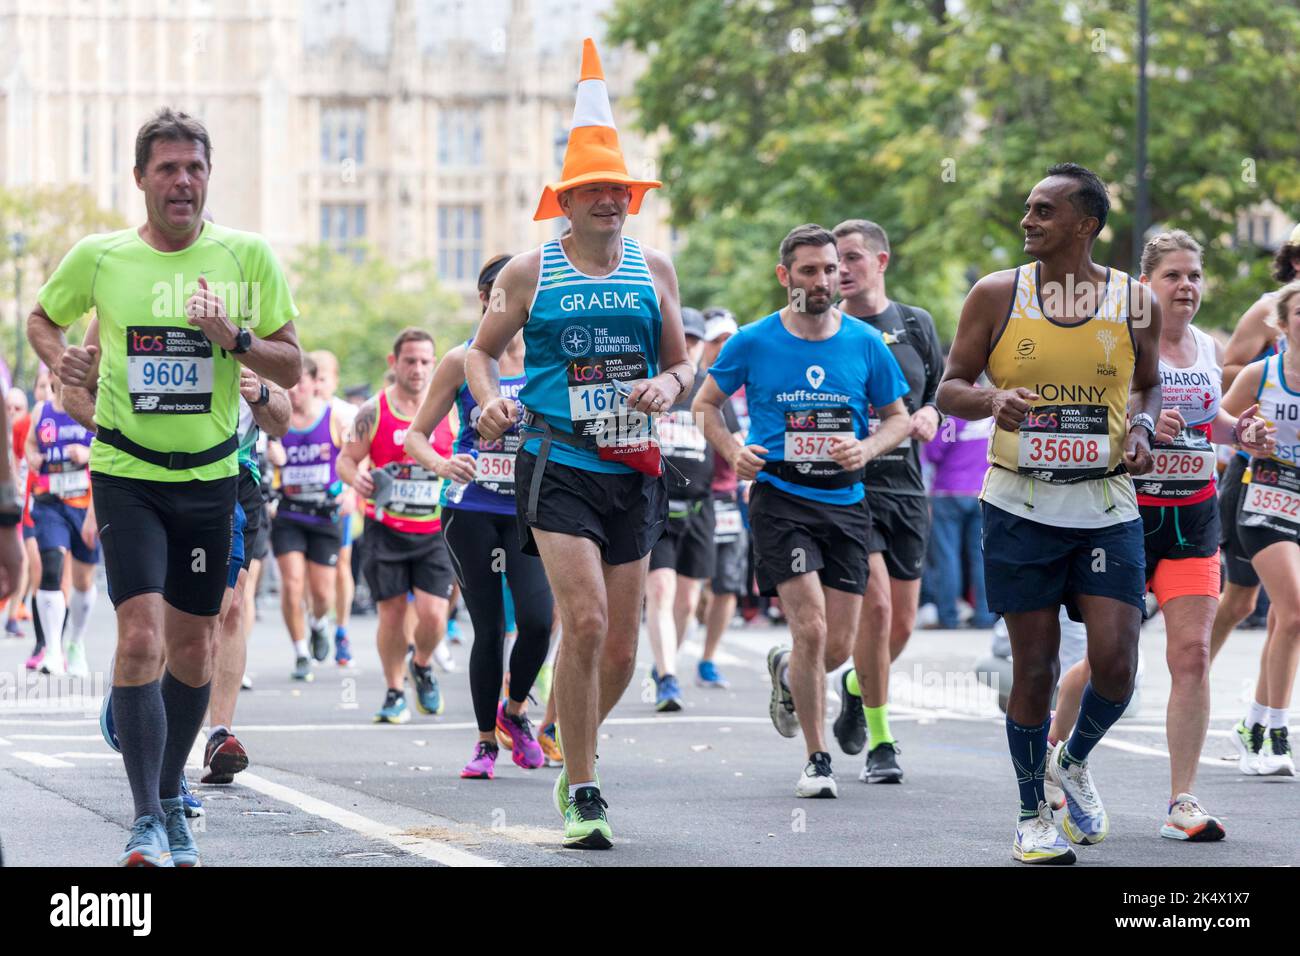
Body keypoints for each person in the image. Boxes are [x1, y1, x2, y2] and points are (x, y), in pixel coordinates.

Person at [27, 108, 302, 866]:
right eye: (167, 169)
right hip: (127, 473)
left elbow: (290, 366)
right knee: (141, 637)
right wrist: (62, 360)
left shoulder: (246, 257)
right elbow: (41, 318)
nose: (182, 181)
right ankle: (148, 816)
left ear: (209, 177)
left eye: (195, 169)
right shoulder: (102, 256)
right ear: (142, 178)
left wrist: (234, 339)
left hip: (211, 479)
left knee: (195, 648)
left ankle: (175, 793)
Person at [465, 38, 690, 849]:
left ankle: (568, 748)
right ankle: (586, 788)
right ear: (563, 200)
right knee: (586, 622)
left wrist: (670, 386)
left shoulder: (653, 267)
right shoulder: (528, 273)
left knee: (623, 647)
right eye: (593, 189)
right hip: (557, 460)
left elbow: (680, 362)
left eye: (619, 189)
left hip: (635, 464)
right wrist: (490, 402)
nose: (610, 199)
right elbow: (479, 354)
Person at [937, 163, 1161, 865]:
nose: (1028, 220)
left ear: (1086, 225)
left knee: (1116, 664)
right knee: (1032, 667)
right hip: (1021, 504)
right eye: (1027, 208)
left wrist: (1144, 431)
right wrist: (990, 402)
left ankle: (1075, 760)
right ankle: (1032, 810)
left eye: (1043, 211)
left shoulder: (1134, 300)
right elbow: (948, 389)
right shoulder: (997, 294)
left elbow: (1148, 388)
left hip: (1104, 502)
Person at [1047, 230, 1274, 837]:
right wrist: (1142, 423)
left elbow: (1214, 423)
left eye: (1195, 276)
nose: (1187, 287)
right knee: (1109, 659)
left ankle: (1182, 802)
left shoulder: (1207, 346)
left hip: (1193, 520)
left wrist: (1241, 433)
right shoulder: (1117, 344)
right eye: (1174, 276)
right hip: (1128, 519)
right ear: (1146, 283)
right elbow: (1093, 420)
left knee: (1192, 656)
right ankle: (1056, 757)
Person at [695, 223, 910, 798]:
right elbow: (705, 406)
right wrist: (734, 451)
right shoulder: (754, 340)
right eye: (809, 270)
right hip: (781, 500)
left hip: (846, 503)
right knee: (811, 626)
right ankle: (817, 758)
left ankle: (787, 672)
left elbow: (898, 417)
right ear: (784, 276)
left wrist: (866, 447)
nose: (822, 280)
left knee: (838, 645)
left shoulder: (864, 341)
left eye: (831, 269)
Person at [405, 253, 555, 779]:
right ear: (487, 301)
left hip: (532, 511)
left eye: (526, 296)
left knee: (540, 621)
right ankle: (484, 743)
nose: (516, 305)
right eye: (503, 296)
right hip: (471, 511)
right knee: (489, 628)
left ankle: (514, 713)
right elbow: (414, 435)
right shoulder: (461, 359)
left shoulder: (547, 359)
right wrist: (444, 463)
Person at [829, 218, 946, 784]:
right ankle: (882, 740)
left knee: (900, 624)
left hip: (907, 487)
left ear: (881, 261)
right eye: (834, 261)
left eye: (851, 258)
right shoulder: (825, 329)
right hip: (851, 491)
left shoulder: (915, 325)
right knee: (873, 611)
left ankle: (854, 684)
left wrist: (932, 414)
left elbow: (947, 390)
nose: (842, 270)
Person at [338, 329, 456, 724]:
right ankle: (393, 693)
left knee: (434, 615)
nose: (418, 369)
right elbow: (345, 459)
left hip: (434, 529)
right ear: (394, 363)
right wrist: (357, 479)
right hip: (384, 527)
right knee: (390, 614)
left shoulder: (449, 411)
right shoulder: (373, 410)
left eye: (426, 361)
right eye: (410, 360)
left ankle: (421, 664)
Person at [1219, 278, 1300, 778]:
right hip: (1261, 497)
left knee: (1278, 614)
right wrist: (1247, 433)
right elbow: (1217, 419)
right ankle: (1272, 728)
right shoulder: (1262, 373)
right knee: (1291, 611)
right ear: (1284, 324)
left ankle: (1255, 720)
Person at [645, 306, 739, 711]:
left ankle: (666, 662)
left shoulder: (712, 389)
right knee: (661, 592)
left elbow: (731, 446)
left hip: (701, 506)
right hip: (656, 505)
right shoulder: (650, 384)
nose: (687, 346)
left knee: (686, 602)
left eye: (694, 340)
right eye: (680, 338)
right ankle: (668, 676)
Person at [269, 355, 346, 680]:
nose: (295, 389)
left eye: (301, 382)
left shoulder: (334, 419)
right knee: (292, 582)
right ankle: (300, 651)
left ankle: (318, 623)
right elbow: (261, 464)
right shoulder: (275, 422)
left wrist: (348, 491)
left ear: (316, 383)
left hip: (325, 516)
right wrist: (273, 463)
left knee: (322, 593)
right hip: (288, 513)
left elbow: (355, 460)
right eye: (290, 383)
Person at [24, 372, 100, 676]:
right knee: (51, 567)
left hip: (84, 504)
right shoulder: (42, 411)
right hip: (49, 501)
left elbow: (113, 446)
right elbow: (31, 444)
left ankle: (75, 643)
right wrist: (33, 457)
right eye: (53, 370)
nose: (57, 375)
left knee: (83, 582)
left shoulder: (89, 408)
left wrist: (87, 452)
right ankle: (52, 650)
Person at [695, 308, 749, 689]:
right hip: (693, 494)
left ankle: (708, 658)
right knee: (690, 582)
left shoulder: (748, 381)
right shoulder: (695, 386)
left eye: (730, 339)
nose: (725, 347)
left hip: (732, 492)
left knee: (727, 582)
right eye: (717, 341)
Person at [923, 399, 997, 629]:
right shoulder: (991, 406)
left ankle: (948, 616)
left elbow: (933, 451)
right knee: (981, 557)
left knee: (947, 556)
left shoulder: (951, 404)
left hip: (948, 491)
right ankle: (985, 616)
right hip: (983, 490)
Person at [309, 349, 358, 664]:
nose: (316, 387)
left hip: (338, 502)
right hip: (304, 503)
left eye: (322, 379)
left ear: (335, 380)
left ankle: (342, 630)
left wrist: (351, 491)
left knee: (341, 565)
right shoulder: (300, 409)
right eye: (312, 379)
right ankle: (317, 620)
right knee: (311, 573)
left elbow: (358, 458)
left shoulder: (346, 413)